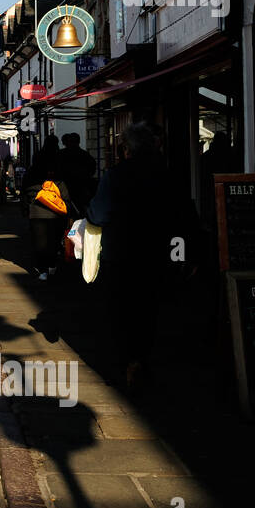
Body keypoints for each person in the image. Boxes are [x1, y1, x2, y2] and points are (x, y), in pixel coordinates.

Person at [86, 123, 197, 391]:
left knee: (121, 312)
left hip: (121, 256)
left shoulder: (114, 176)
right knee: (149, 311)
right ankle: (141, 359)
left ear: (126, 149)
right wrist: (187, 255)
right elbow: (186, 218)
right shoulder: (168, 176)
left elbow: (98, 214)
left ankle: (128, 362)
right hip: (157, 256)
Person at [25, 133, 66, 281]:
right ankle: (52, 265)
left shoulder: (35, 167)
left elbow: (26, 188)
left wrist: (27, 206)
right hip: (56, 211)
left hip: (37, 211)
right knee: (55, 241)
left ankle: (43, 270)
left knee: (40, 242)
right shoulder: (59, 165)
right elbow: (64, 191)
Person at [57, 132, 98, 214]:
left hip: (65, 188)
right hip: (81, 188)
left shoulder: (61, 154)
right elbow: (92, 169)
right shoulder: (85, 155)